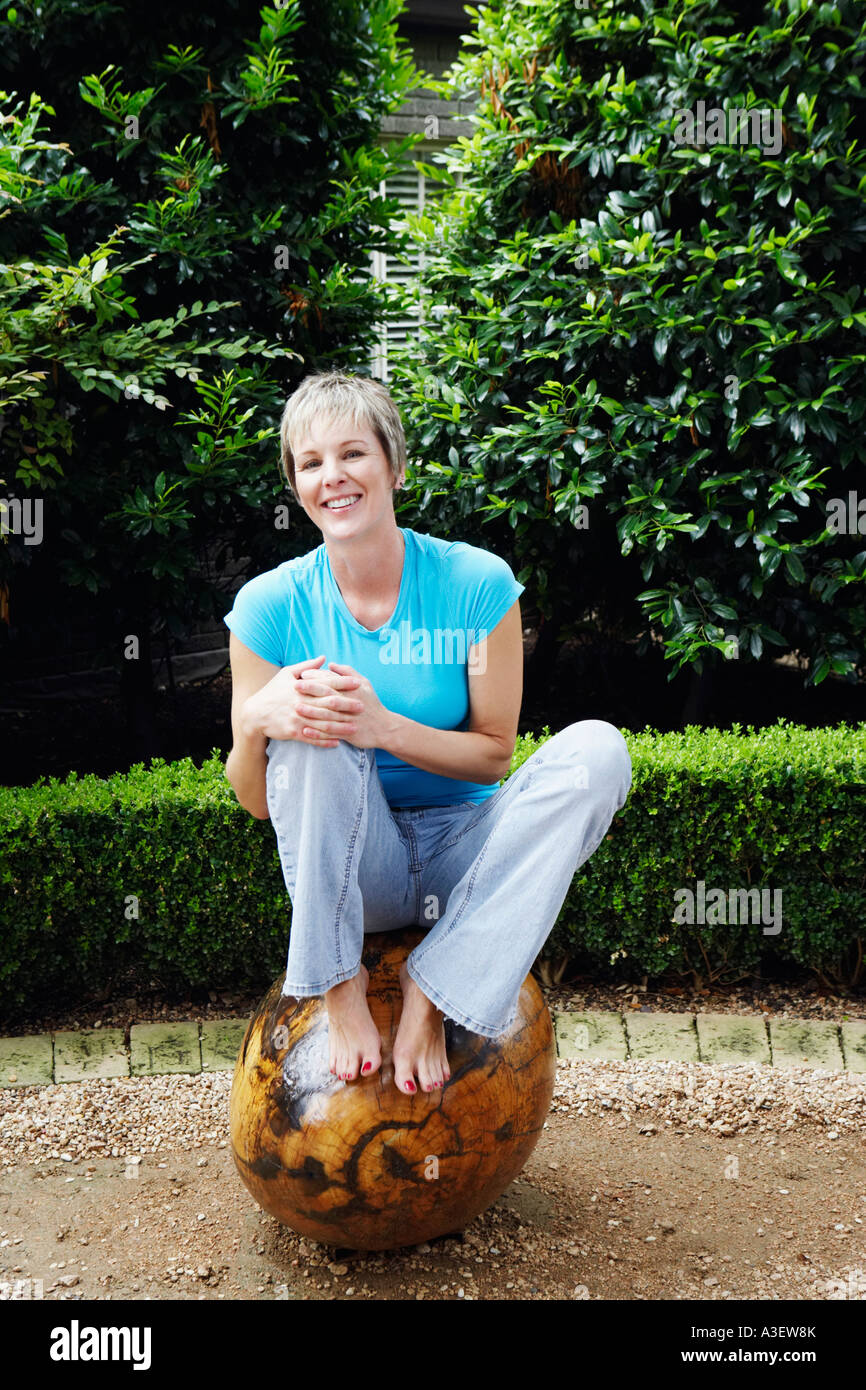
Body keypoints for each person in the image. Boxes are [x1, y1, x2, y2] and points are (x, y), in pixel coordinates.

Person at [224, 370, 632, 1098]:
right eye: (311, 463)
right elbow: (257, 801)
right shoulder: (268, 606)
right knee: (308, 725)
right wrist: (257, 722)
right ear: (296, 485)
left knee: (599, 749)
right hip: (359, 870)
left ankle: (434, 992)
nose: (333, 477)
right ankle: (339, 985)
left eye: (353, 454)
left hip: (465, 854)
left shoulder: (475, 584)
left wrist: (381, 726)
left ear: (395, 466)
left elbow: (492, 755)